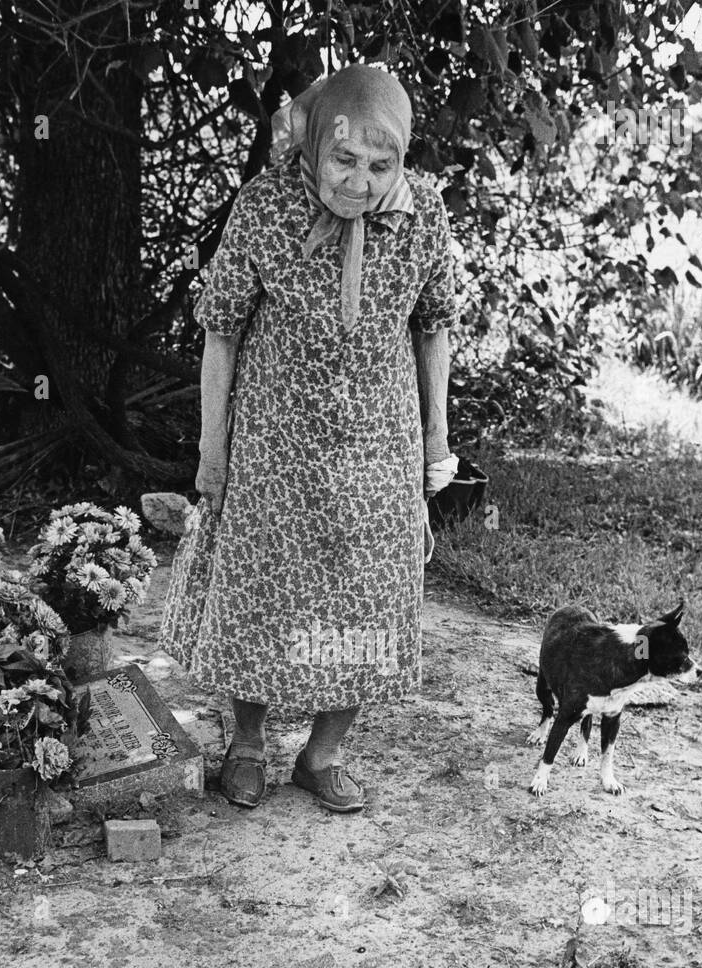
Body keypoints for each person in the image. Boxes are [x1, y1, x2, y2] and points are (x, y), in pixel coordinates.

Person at [159, 63, 459, 812]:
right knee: (262, 591)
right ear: (315, 145)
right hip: (274, 444)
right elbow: (220, 331)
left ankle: (323, 755)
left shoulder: (424, 214)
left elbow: (436, 327)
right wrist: (211, 450)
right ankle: (248, 745)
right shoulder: (265, 207)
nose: (359, 181)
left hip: (376, 446)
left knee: (368, 598)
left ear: (403, 161)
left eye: (380, 165)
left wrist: (435, 444)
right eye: (343, 158)